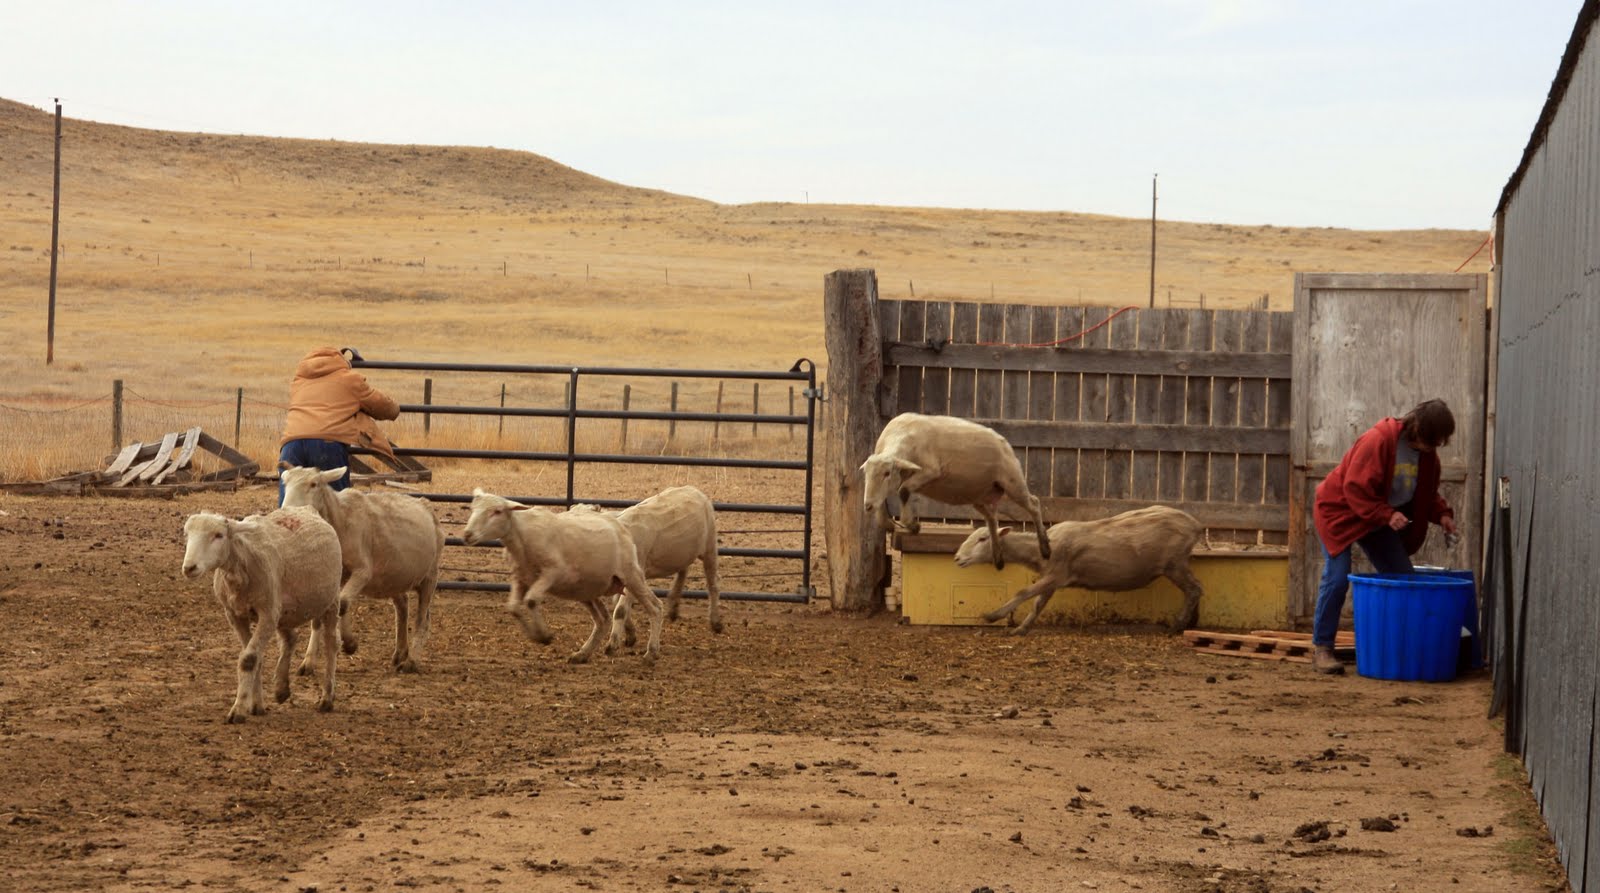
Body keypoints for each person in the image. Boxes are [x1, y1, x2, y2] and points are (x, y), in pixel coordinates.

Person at [1310, 399, 1459, 675]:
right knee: (1337, 577)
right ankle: (1323, 648)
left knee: (1402, 578)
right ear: (1418, 428)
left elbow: (1426, 493)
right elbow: (1355, 488)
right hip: (1341, 511)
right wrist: (1386, 515)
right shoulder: (1378, 440)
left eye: (1439, 442)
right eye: (1432, 440)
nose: (1434, 447)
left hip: (1377, 517)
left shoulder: (1427, 456)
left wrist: (1442, 515)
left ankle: (1403, 646)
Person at [278, 346, 400, 505]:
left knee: (289, 509)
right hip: (327, 443)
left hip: (291, 444)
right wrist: (395, 408)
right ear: (343, 361)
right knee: (336, 509)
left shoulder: (299, 380)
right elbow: (385, 408)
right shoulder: (349, 379)